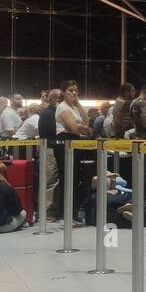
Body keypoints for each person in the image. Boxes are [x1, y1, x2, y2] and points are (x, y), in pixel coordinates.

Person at [53, 80, 92, 223]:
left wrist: (79, 103)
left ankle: (73, 213)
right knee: (67, 178)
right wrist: (81, 127)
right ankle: (65, 214)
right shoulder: (62, 107)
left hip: (75, 142)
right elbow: (74, 128)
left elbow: (87, 123)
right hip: (64, 143)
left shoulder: (74, 108)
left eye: (76, 90)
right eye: (70, 90)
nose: (74, 93)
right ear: (63, 92)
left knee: (76, 179)